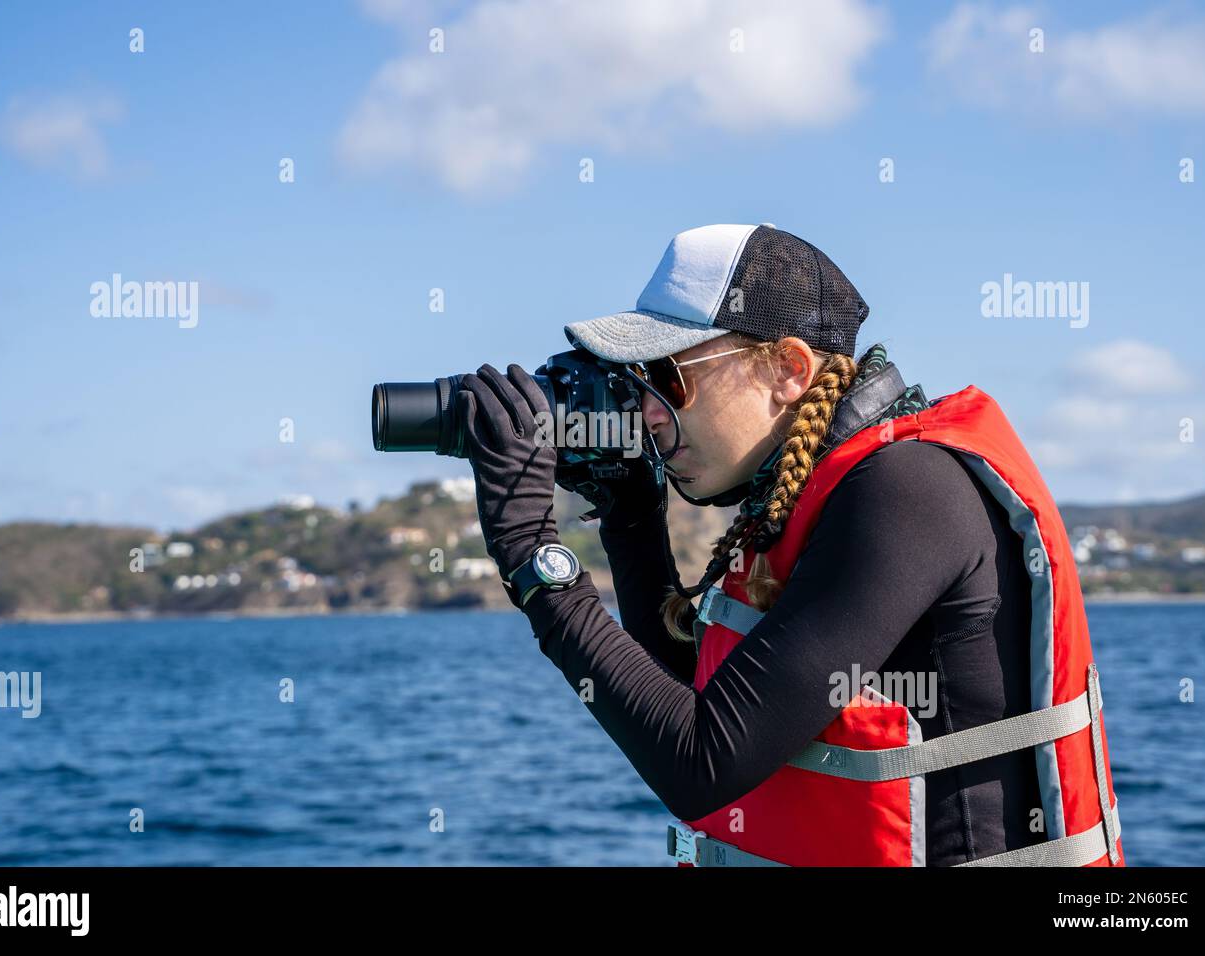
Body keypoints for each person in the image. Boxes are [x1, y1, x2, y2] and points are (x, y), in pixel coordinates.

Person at [455, 223, 1124, 867]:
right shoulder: (809, 495)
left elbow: (702, 762)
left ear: (787, 370)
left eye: (669, 378)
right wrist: (630, 517)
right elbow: (692, 692)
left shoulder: (907, 491)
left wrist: (530, 554)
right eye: (639, 385)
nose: (650, 412)